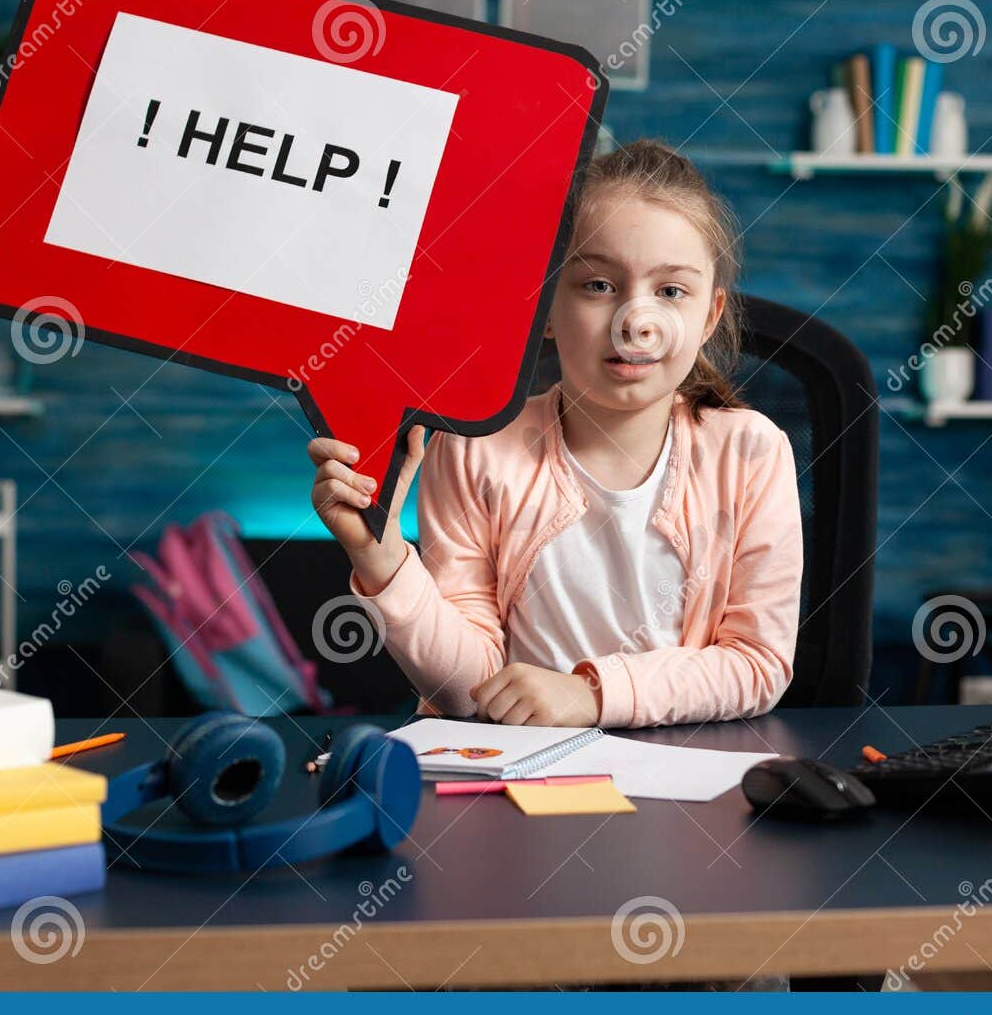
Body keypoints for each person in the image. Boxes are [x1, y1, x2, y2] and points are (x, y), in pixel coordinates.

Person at [307, 139, 803, 727]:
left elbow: (757, 663)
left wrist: (591, 696)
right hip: (521, 767)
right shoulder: (473, 450)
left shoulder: (751, 452)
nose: (636, 323)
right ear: (543, 307)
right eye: (599, 286)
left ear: (709, 317)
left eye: (670, 292)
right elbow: (468, 694)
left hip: (687, 768)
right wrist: (382, 557)